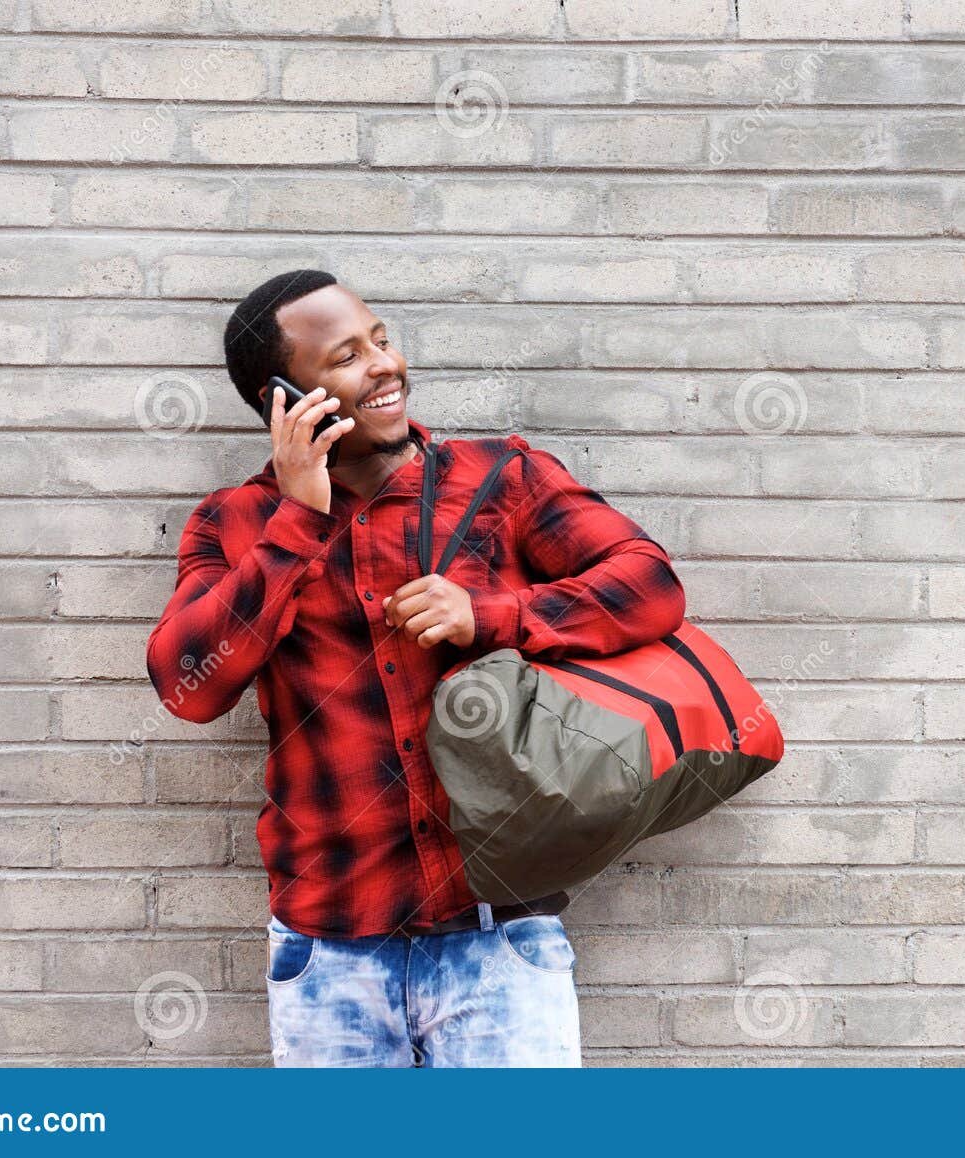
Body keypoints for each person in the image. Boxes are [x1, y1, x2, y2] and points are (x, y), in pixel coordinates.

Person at [145, 270, 686, 1066]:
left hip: (499, 941)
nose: (384, 366)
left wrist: (492, 615)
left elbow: (650, 584)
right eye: (346, 357)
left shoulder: (502, 477)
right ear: (283, 399)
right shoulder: (235, 523)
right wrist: (298, 517)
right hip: (327, 955)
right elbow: (187, 685)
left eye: (382, 340)